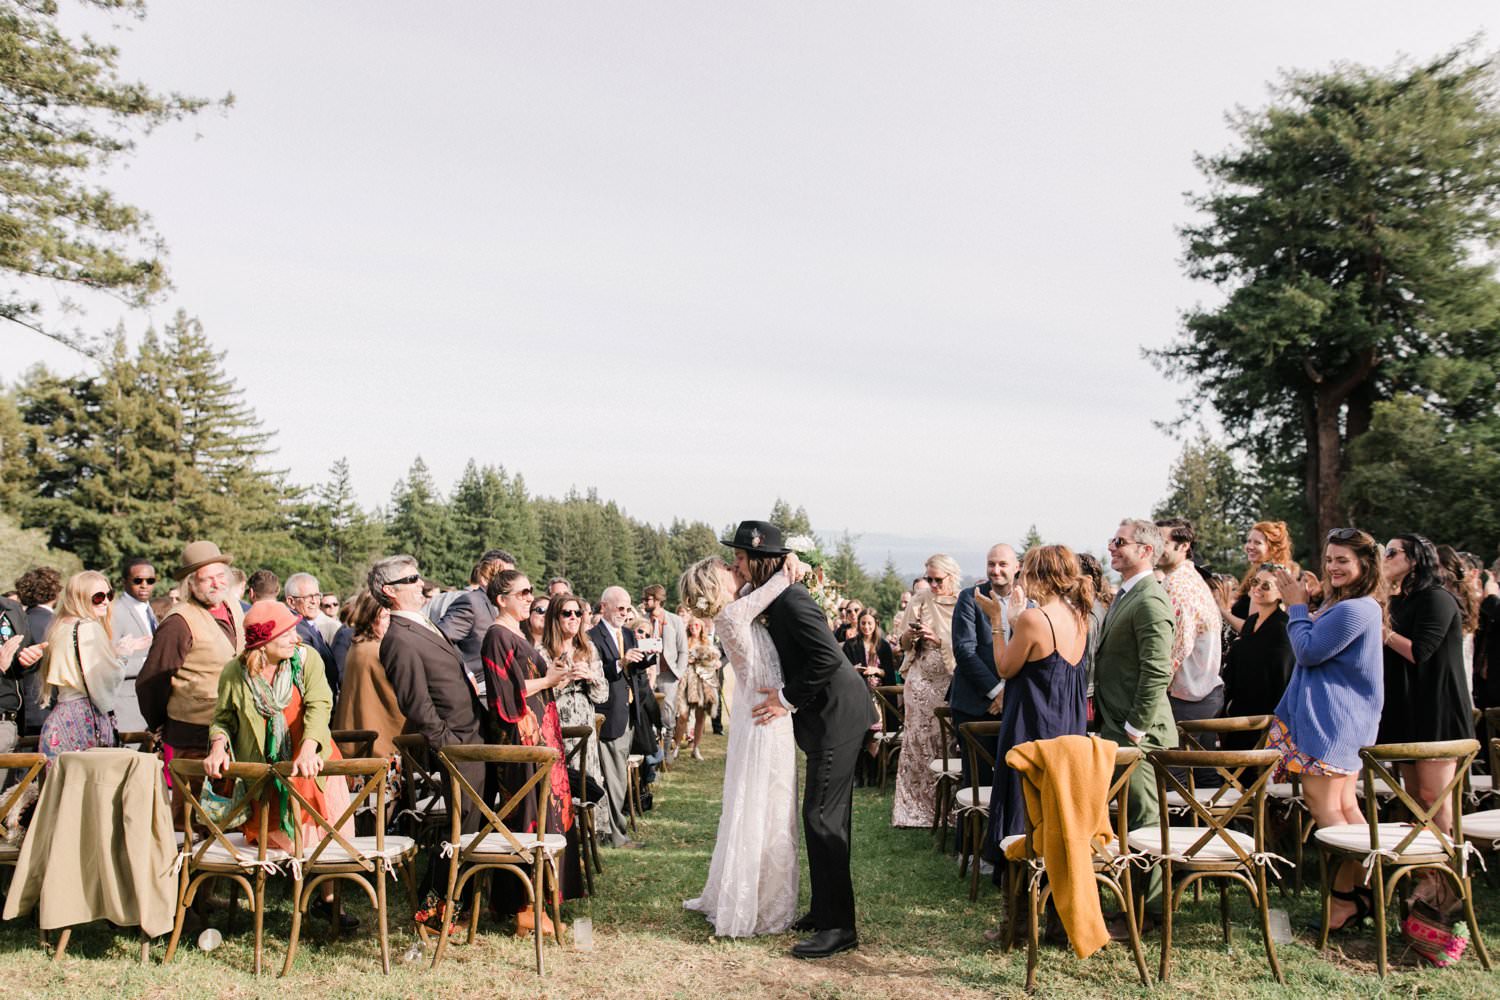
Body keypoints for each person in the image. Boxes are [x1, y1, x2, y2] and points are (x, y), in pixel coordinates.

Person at [731, 520, 875, 960]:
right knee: (827, 817)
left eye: (739, 558)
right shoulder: (777, 593)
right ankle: (823, 909)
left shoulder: (792, 601)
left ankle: (839, 927)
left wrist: (786, 699)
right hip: (827, 717)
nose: (735, 566)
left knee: (821, 818)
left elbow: (828, 659)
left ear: (758, 560)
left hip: (836, 717)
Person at [203, 601, 355, 924]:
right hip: (266, 772)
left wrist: (310, 747)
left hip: (312, 764)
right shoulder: (235, 672)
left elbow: (320, 704)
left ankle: (330, 902)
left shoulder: (305, 660)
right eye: (285, 632)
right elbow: (223, 719)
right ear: (262, 643)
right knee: (288, 844)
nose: (295, 637)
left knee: (324, 835)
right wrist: (218, 745)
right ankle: (283, 904)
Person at [1269, 529, 1386, 932]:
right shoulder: (1348, 605)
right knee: (1347, 810)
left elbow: (1309, 650)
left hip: (1331, 724)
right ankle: (1361, 894)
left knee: (1326, 812)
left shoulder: (1358, 609)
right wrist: (1310, 605)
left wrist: (1297, 607)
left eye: (1343, 561)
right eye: (1330, 559)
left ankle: (1341, 902)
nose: (1334, 567)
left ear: (1365, 566)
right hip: (1341, 720)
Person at [678, 554, 801, 937]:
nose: (738, 571)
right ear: (717, 589)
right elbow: (779, 581)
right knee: (767, 805)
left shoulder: (737, 607)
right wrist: (791, 560)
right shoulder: (731, 616)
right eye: (729, 571)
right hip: (767, 718)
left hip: (764, 713)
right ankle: (759, 905)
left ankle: (756, 893)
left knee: (762, 803)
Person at [372, 554, 487, 909]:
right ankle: (436, 906)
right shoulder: (399, 639)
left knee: (472, 824)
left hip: (473, 736)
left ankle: (464, 902)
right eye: (412, 579)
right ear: (390, 591)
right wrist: (448, 746)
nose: (421, 583)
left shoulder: (423, 624)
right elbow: (416, 704)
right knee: (459, 829)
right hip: (457, 745)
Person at [479, 569, 582, 933]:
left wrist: (557, 675)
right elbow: (505, 694)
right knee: (527, 821)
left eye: (530, 592)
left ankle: (538, 904)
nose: (529, 598)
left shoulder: (516, 634)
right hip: (522, 743)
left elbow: (528, 683)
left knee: (546, 818)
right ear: (501, 598)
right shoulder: (496, 636)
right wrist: (549, 679)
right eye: (522, 592)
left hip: (539, 736)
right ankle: (525, 909)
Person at [1380, 534, 1473, 914]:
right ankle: (1425, 875)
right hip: (1407, 709)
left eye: (1391, 552)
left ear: (1415, 559)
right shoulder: (1398, 600)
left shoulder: (1437, 598)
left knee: (1436, 799)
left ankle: (1450, 885)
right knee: (1415, 799)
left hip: (1438, 707)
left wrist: (1382, 631)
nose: (1384, 557)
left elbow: (1421, 651)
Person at [975, 545, 1092, 846]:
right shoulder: (1080, 616)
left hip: (1033, 723)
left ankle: (1019, 863)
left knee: (1024, 795)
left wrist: (997, 623)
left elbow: (1005, 668)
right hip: (1068, 723)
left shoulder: (1034, 619)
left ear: (1038, 577)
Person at [1093, 518, 1176, 934]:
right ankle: (1132, 903)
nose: (1112, 547)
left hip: (1139, 735)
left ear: (1145, 550)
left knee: (1145, 822)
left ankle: (1152, 913)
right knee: (1129, 821)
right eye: (1112, 540)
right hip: (1117, 728)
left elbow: (1158, 670)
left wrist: (1135, 729)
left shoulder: (1150, 600)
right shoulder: (1127, 594)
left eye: (1120, 542)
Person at [136, 541, 247, 803]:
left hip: (235, 726)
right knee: (191, 815)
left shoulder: (233, 605)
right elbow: (152, 680)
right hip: (194, 731)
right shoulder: (178, 622)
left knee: (228, 814)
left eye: (220, 576)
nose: (216, 584)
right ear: (191, 584)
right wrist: (160, 723)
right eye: (206, 579)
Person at [892, 554, 961, 829]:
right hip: (920, 681)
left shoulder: (962, 603)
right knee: (917, 743)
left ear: (951, 577)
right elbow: (902, 643)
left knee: (945, 743)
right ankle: (914, 809)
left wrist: (939, 639)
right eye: (929, 579)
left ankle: (948, 808)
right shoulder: (920, 599)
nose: (932, 584)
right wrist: (913, 635)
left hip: (948, 680)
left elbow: (965, 646)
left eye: (938, 580)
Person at [37, 571, 136, 759]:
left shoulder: (58, 627)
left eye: (109, 595)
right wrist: (122, 657)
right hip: (85, 722)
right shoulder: (89, 628)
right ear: (80, 597)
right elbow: (105, 679)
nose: (106, 601)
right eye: (98, 597)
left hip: (59, 722)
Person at [950, 544, 1024, 789]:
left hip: (1015, 705)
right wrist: (997, 691)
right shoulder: (970, 597)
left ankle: (1007, 828)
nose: (996, 570)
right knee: (977, 781)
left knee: (1013, 779)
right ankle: (973, 828)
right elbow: (964, 651)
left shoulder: (1028, 601)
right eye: (991, 564)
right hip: (975, 702)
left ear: (1017, 567)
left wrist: (1009, 692)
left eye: (1002, 564)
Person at [537, 591, 609, 827]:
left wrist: (590, 677)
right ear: (554, 619)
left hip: (585, 729)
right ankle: (563, 831)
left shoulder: (588, 649)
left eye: (578, 613)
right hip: (559, 729)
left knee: (588, 780)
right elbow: (539, 698)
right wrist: (562, 681)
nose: (573, 617)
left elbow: (602, 695)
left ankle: (590, 834)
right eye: (566, 613)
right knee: (563, 783)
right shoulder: (542, 653)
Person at [1155, 519, 1225, 740]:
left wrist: (1150, 690)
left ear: (1184, 546)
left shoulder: (1177, 585)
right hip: (1203, 691)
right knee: (1203, 772)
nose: (1154, 548)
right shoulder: (1191, 578)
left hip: (1188, 697)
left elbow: (1176, 646)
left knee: (1174, 770)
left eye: (1162, 542)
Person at [588, 586, 645, 849]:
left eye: (628, 608)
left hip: (629, 712)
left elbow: (633, 671)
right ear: (604, 607)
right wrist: (620, 663)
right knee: (613, 779)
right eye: (619, 608)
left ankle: (614, 830)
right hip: (608, 714)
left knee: (619, 775)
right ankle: (615, 835)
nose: (624, 613)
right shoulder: (592, 637)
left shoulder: (627, 634)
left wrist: (646, 658)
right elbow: (599, 674)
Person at [1220, 564, 1294, 749]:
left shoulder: (1283, 628)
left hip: (1264, 720)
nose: (1257, 588)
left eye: (1266, 585)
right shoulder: (1251, 621)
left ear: (1280, 594)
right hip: (1239, 713)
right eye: (1255, 582)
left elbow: (1282, 679)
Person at [330, 591, 406, 757]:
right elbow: (398, 698)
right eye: (385, 616)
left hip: (358, 746)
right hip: (379, 749)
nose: (390, 622)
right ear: (371, 618)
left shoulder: (358, 645)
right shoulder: (377, 651)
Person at [436, 550, 513, 678]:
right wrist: (467, 673)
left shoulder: (504, 606)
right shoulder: (472, 602)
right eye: (504, 576)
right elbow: (438, 641)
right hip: (477, 689)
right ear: (485, 578)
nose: (510, 582)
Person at [105, 557, 156, 733]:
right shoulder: (115, 612)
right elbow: (107, 663)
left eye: (150, 581)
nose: (144, 585)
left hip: (150, 705)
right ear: (124, 582)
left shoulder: (150, 610)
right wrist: (146, 663)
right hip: (126, 706)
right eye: (138, 580)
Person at [641, 583, 688, 759]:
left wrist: (680, 672)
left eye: (648, 599)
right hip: (647, 674)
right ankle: (652, 754)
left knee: (668, 716)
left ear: (658, 600)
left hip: (669, 676)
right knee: (649, 713)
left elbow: (683, 650)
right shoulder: (642, 619)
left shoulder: (674, 621)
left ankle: (667, 754)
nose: (644, 602)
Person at [1221, 521, 1293, 635]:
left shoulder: (1272, 578)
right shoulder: (1256, 573)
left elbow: (1252, 628)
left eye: (1257, 543)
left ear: (1273, 548)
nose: (1250, 546)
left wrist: (1220, 610)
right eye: (1249, 541)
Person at [16, 566, 63, 736]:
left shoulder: (16, 622)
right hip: (47, 709)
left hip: (19, 710)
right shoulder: (57, 625)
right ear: (55, 592)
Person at [285, 573, 339, 703]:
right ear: (291, 602)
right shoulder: (297, 630)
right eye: (308, 597)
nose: (315, 601)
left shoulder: (307, 624)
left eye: (317, 595)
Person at [678, 615, 722, 760]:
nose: (693, 628)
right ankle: (677, 745)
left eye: (696, 625)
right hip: (687, 681)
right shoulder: (684, 641)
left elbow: (714, 660)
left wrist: (713, 663)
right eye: (691, 626)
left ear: (702, 627)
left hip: (702, 683)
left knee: (700, 717)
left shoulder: (707, 642)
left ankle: (696, 748)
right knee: (683, 715)